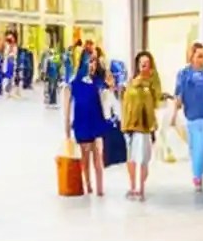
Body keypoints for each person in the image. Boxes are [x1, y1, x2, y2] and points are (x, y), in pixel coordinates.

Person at [170, 42, 203, 193]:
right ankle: (197, 175)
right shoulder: (184, 74)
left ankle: (199, 172)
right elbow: (178, 95)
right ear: (191, 56)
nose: (202, 59)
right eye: (199, 55)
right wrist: (173, 115)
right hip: (192, 117)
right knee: (196, 147)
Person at [65, 55, 112, 196]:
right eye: (90, 61)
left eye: (94, 62)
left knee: (98, 155)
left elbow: (108, 101)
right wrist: (67, 129)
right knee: (85, 158)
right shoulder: (74, 84)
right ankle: (88, 185)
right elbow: (67, 108)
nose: (92, 65)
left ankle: (100, 188)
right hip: (82, 123)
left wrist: (109, 86)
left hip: (97, 122)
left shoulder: (99, 82)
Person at [122, 51, 161, 201]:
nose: (144, 65)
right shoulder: (131, 81)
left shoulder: (152, 81)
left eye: (147, 62)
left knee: (143, 159)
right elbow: (125, 100)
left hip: (145, 126)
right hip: (130, 126)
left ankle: (141, 188)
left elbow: (157, 98)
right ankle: (132, 186)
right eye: (141, 63)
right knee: (131, 158)